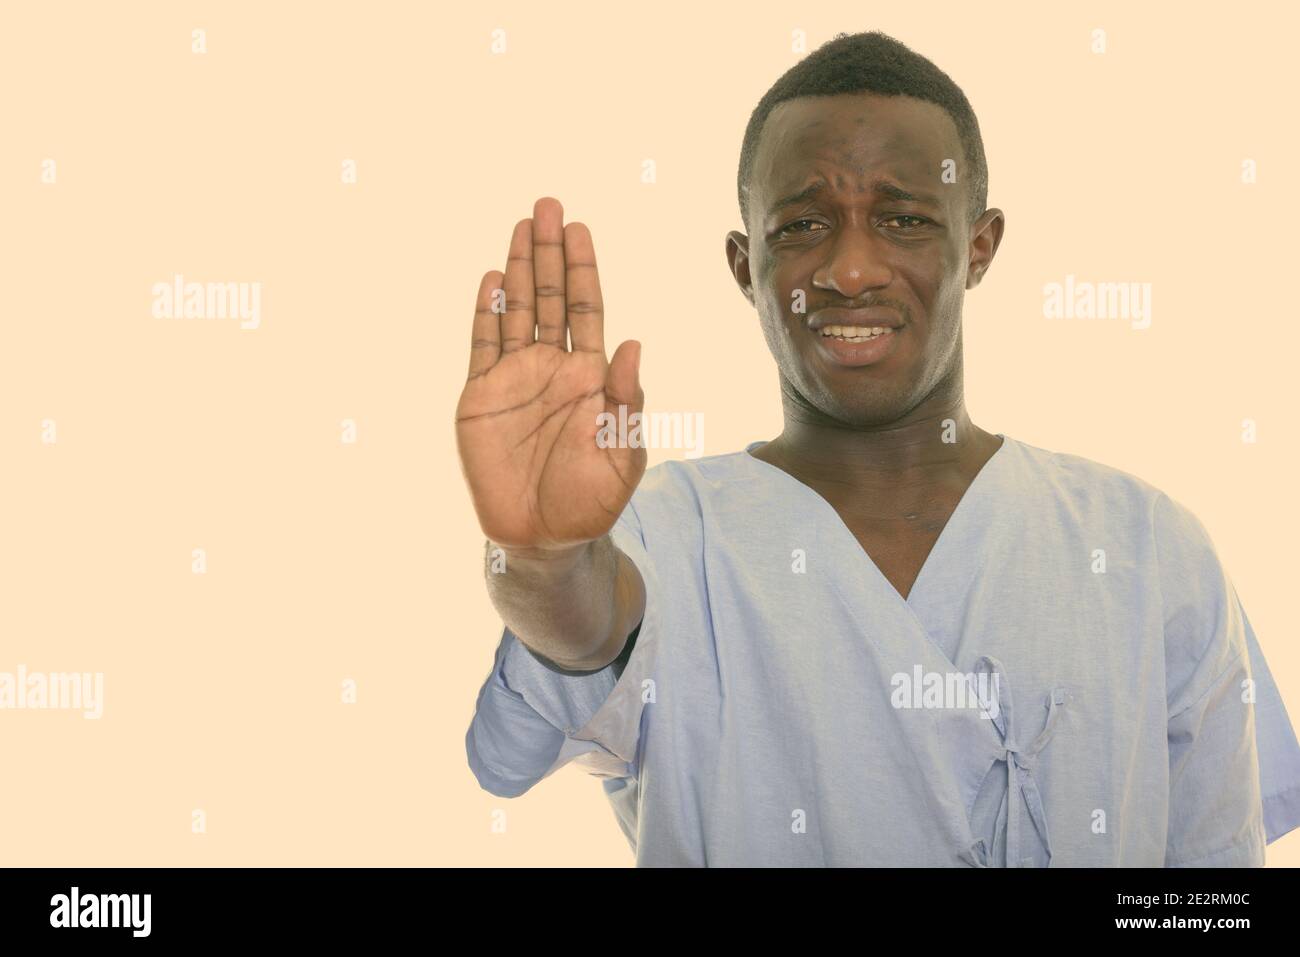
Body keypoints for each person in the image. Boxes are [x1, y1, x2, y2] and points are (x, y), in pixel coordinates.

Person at [456, 30, 1300, 866]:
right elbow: (583, 627)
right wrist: (545, 556)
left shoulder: (1150, 548)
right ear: (744, 266)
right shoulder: (668, 533)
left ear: (979, 245)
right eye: (803, 226)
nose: (850, 269)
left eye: (902, 219)